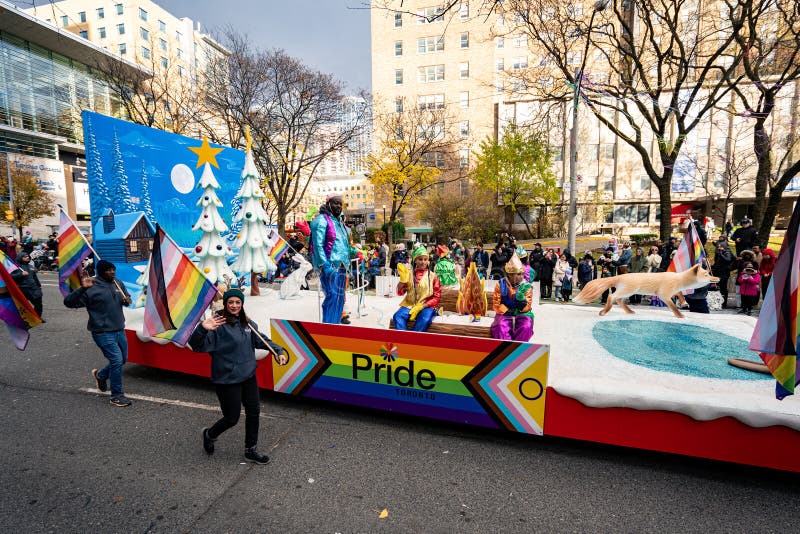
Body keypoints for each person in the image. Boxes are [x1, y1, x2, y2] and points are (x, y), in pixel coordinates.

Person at [189, 288, 288, 464]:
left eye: (238, 302)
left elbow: (262, 340)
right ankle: (209, 434)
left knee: (254, 413)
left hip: (248, 376)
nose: (234, 306)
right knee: (231, 418)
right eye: (231, 302)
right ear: (226, 304)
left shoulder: (247, 324)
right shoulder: (217, 326)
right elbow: (196, 346)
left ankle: (251, 450)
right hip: (227, 380)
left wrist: (278, 351)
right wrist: (202, 329)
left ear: (242, 304)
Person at [64, 259, 133, 407]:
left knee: (123, 359)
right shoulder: (91, 286)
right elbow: (68, 302)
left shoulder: (117, 283)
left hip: (119, 329)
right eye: (108, 270)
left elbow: (125, 299)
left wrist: (127, 300)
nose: (112, 272)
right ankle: (116, 396)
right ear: (101, 272)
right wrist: (82, 288)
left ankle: (101, 375)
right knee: (116, 360)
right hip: (102, 332)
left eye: (113, 269)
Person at [310, 194, 352, 324]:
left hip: (342, 267)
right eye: (335, 203)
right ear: (328, 204)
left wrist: (355, 252)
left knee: (340, 298)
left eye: (340, 204)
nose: (339, 206)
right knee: (332, 297)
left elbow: (343, 245)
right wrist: (325, 265)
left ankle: (334, 328)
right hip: (330, 267)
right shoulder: (321, 220)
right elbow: (317, 245)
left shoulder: (339, 222)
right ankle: (328, 328)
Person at [393, 245, 441, 332]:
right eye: (420, 259)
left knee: (424, 319)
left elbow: (436, 297)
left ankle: (413, 340)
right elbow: (400, 293)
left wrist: (422, 306)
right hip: (409, 305)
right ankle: (404, 341)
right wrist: (402, 281)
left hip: (427, 306)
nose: (423, 262)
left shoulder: (433, 276)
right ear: (415, 260)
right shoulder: (409, 274)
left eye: (425, 259)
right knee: (398, 316)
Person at [490, 254, 534, 341]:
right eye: (518, 274)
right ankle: (506, 348)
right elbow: (496, 304)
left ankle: (518, 348)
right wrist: (506, 310)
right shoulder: (500, 284)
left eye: (522, 274)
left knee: (526, 326)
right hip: (505, 313)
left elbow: (528, 306)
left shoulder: (526, 286)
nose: (522, 276)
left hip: (522, 313)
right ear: (510, 275)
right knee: (500, 326)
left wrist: (522, 304)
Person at [12, 252, 44, 318]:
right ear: (20, 258)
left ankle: (37, 318)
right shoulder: (15, 267)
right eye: (25, 256)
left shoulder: (31, 266)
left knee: (38, 304)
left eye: (28, 256)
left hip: (34, 288)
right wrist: (21, 274)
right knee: (22, 305)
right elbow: (10, 276)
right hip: (23, 288)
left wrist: (38, 285)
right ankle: (22, 319)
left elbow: (34, 277)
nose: (27, 257)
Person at [711, 237, 734, 308]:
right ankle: (717, 301)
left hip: (724, 272)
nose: (719, 248)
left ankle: (724, 303)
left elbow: (728, 259)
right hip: (718, 271)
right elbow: (717, 262)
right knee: (716, 287)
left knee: (723, 287)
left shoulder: (727, 252)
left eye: (720, 247)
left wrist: (721, 254)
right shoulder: (719, 253)